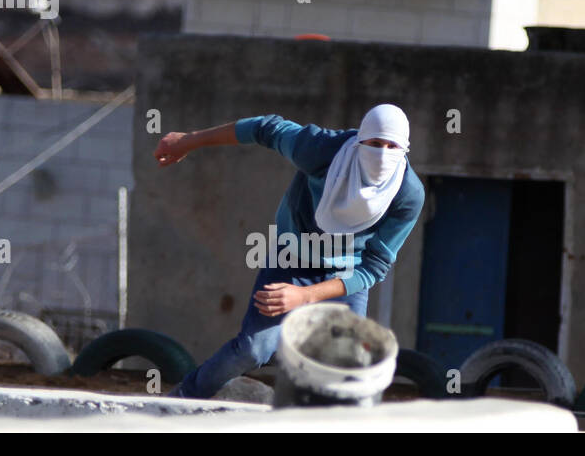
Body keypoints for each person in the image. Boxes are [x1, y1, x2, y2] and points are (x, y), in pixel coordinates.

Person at [154, 104, 424, 399]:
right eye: (374, 143)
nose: (382, 154)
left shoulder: (408, 195)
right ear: (360, 141)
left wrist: (306, 296)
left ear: (403, 149)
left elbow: (373, 268)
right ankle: (183, 398)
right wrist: (189, 140)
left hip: (346, 273)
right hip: (292, 258)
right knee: (252, 350)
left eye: (391, 146)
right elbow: (264, 128)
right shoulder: (321, 150)